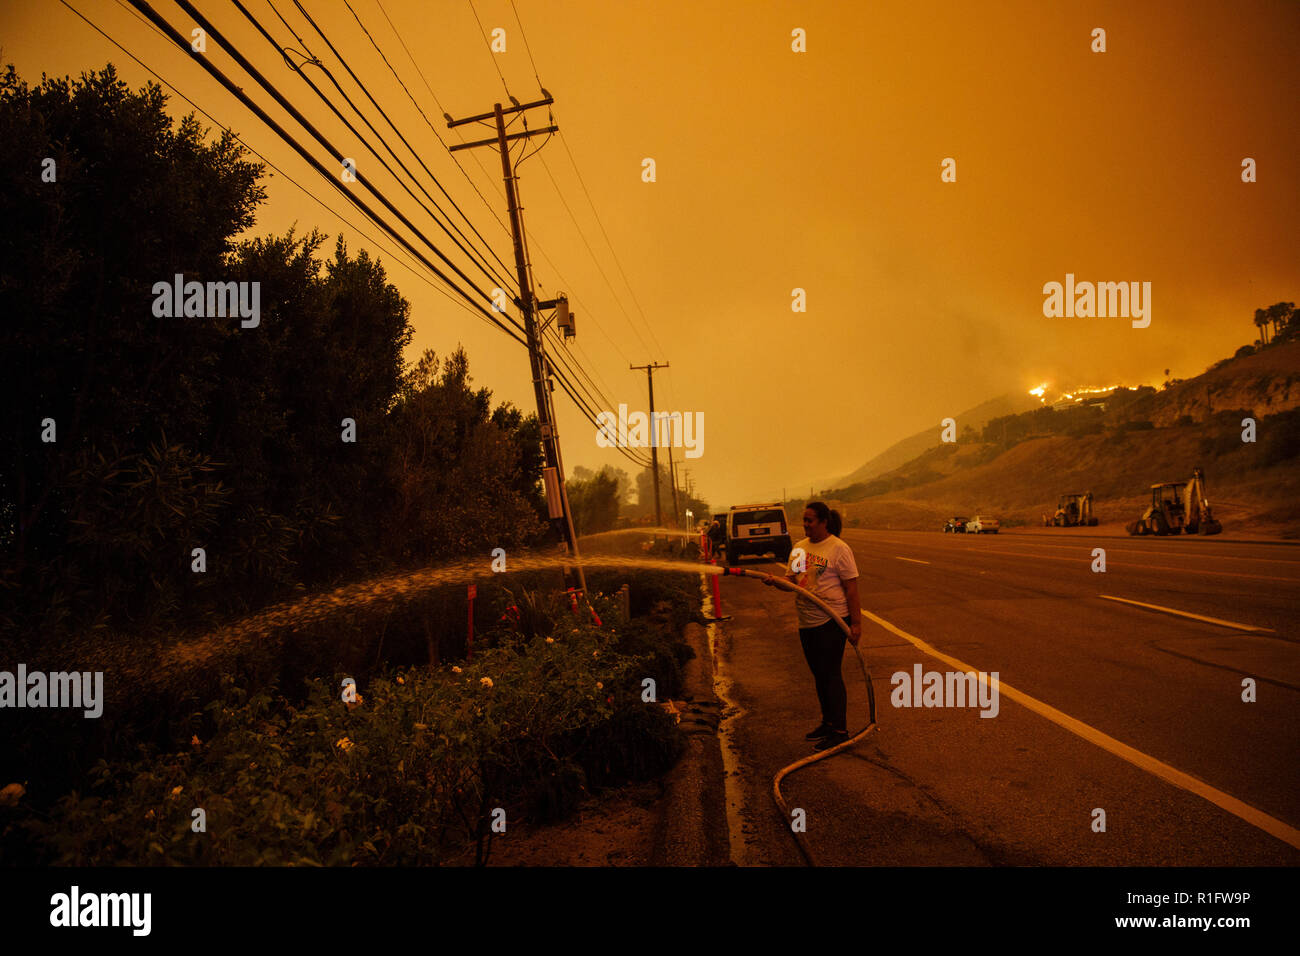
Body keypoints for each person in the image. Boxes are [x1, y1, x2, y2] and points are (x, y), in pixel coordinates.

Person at [765, 501, 861, 751]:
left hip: (833, 619)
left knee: (830, 675)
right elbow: (792, 581)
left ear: (823, 522)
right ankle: (827, 722)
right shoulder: (799, 548)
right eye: (804, 520)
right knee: (819, 675)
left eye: (810, 520)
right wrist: (776, 582)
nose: (805, 524)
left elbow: (851, 589)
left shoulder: (839, 549)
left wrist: (856, 624)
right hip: (806, 621)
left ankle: (840, 730)